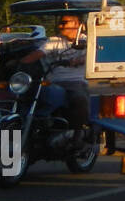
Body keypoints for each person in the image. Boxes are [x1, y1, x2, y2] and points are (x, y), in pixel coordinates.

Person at [21, 13, 90, 146]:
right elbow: (38, 54)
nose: (60, 25)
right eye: (60, 22)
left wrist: (79, 60)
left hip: (75, 81)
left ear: (77, 24)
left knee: (79, 98)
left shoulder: (87, 41)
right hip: (53, 81)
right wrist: (20, 62)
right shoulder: (53, 41)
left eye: (64, 22)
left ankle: (77, 133)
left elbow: (93, 56)